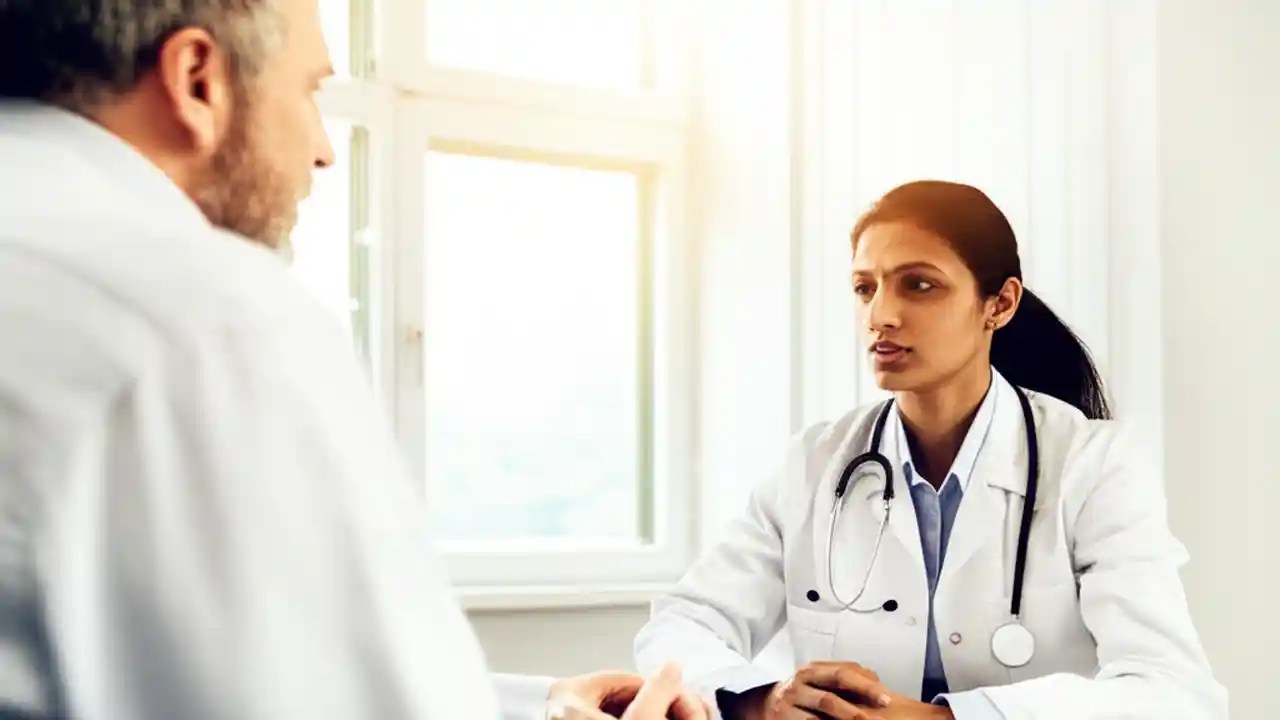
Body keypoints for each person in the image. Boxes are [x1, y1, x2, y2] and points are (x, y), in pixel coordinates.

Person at [0, 1, 702, 718]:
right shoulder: (200, 316)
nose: (323, 149)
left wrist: (538, 706)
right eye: (309, 91)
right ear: (197, 79)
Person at [634, 181, 1228, 719]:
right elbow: (682, 625)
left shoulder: (1093, 465)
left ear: (999, 304)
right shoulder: (816, 464)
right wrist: (761, 702)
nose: (880, 315)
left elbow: (1173, 692)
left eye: (919, 285)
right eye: (865, 287)